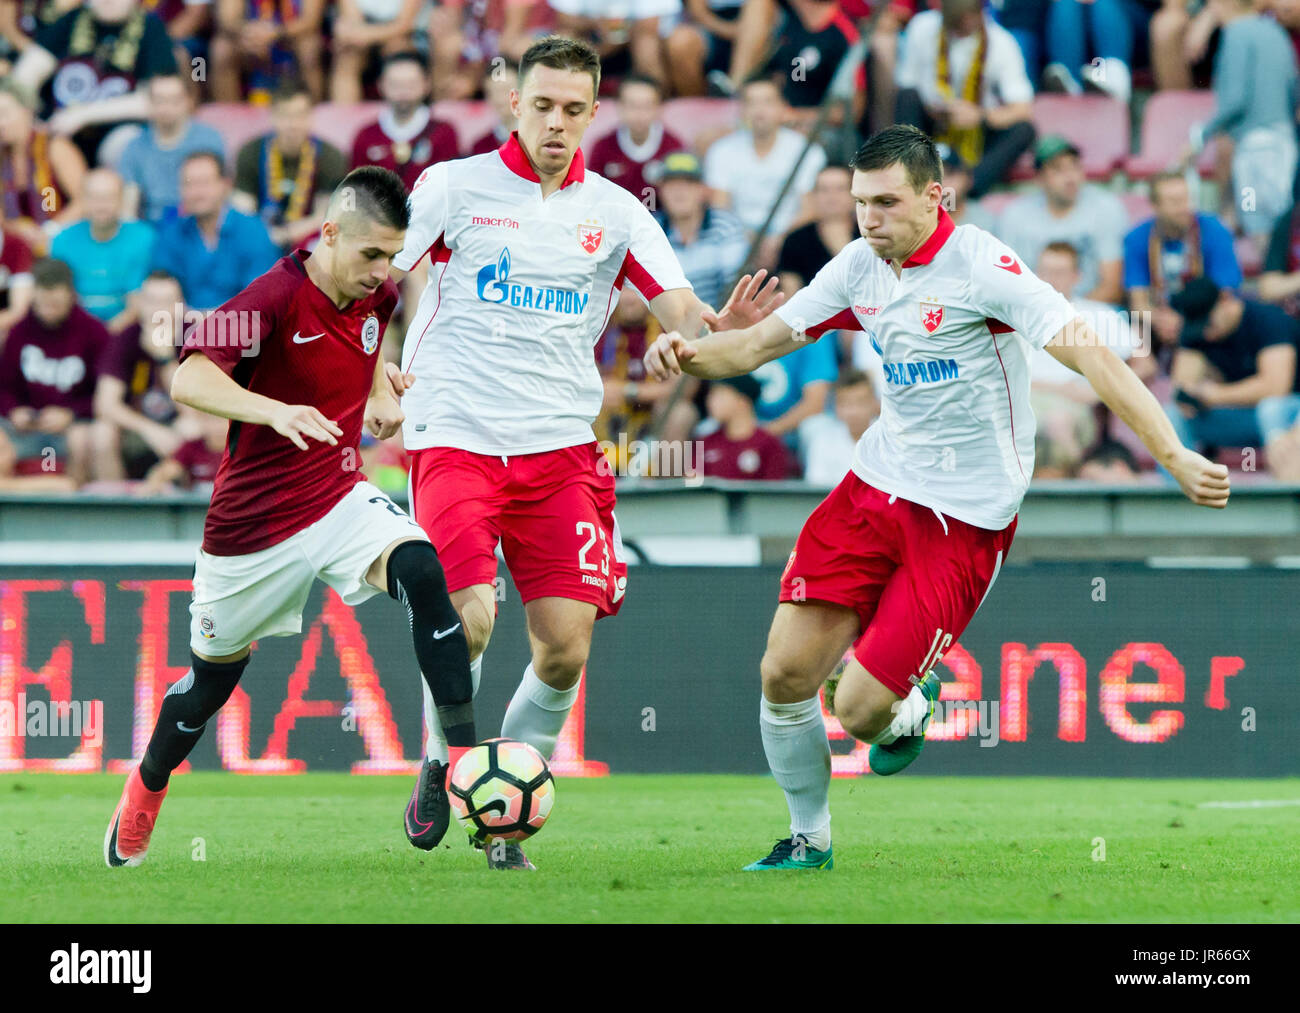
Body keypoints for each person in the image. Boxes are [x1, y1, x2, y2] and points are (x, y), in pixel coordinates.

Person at [643, 124, 1230, 871]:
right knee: (784, 672)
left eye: (886, 202)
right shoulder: (860, 266)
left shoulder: (984, 268)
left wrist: (1171, 452)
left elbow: (1088, 352)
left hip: (964, 518)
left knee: (858, 711)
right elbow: (757, 344)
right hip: (876, 485)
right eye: (860, 203)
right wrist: (686, 353)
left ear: (935, 196)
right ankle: (808, 840)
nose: (869, 218)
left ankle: (907, 710)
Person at [388, 35, 782, 870]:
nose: (557, 123)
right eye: (543, 106)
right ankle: (443, 758)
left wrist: (703, 341)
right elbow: (375, 273)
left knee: (564, 646)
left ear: (595, 113)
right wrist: (373, 371)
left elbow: (676, 303)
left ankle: (502, 815)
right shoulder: (453, 188)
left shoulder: (615, 211)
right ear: (514, 104)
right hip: (454, 432)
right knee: (470, 618)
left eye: (574, 110)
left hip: (561, 450)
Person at [103, 166, 479, 870]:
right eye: (371, 254)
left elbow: (364, 336)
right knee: (208, 686)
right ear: (329, 233)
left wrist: (376, 385)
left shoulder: (381, 293)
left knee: (425, 569)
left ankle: (461, 768)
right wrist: (274, 409)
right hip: (249, 531)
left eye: (393, 255)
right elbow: (188, 375)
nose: (383, 270)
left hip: (336, 494)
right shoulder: (271, 297)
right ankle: (147, 785)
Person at [894, 0, 1036, 199]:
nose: (961, 29)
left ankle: (968, 185)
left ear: (980, 14)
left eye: (967, 22)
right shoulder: (922, 28)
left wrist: (981, 116)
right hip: (932, 123)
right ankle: (913, 175)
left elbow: (1023, 108)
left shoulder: (1001, 43)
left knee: (1024, 130)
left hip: (978, 128)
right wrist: (936, 108)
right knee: (906, 99)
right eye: (955, 24)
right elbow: (907, 83)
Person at [10, 0, 179, 164]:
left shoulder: (151, 29)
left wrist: (83, 115)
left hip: (113, 133)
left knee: (126, 143)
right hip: (55, 129)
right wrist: (27, 115)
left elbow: (151, 101)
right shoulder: (73, 19)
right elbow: (25, 75)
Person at [0, 257, 117, 488]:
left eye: (55, 303)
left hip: (73, 427)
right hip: (25, 428)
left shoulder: (94, 333)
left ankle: (76, 511)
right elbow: (4, 387)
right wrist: (14, 411)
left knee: (82, 440)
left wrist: (71, 414)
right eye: (43, 303)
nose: (48, 310)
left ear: (71, 295)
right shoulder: (19, 332)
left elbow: (104, 393)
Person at [1191, 0, 1299, 242]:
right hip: (1283, 144)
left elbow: (1235, 100)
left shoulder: (1237, 34)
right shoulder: (1276, 33)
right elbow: (1293, 90)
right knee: (1278, 223)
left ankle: (1270, 277)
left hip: (1255, 149)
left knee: (1260, 225)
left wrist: (1198, 137)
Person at [1166, 277, 1300, 469]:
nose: (1207, 334)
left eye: (1209, 323)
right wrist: (1189, 395)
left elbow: (1276, 387)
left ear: (1225, 299)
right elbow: (1182, 386)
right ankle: (1178, 494)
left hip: (1290, 414)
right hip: (1241, 417)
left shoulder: (1268, 319)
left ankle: (1285, 493)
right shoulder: (1198, 331)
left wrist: (1214, 394)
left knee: (1271, 409)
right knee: (1173, 415)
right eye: (1201, 327)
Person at [703, 74, 827, 265]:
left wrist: (777, 239)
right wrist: (748, 239)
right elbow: (720, 207)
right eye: (751, 103)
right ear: (741, 110)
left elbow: (811, 208)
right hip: (737, 240)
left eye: (768, 102)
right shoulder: (721, 151)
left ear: (783, 107)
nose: (759, 110)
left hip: (791, 237)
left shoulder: (807, 150)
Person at [993, 136, 1128, 306]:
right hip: (1032, 311)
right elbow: (1007, 283)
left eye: (1074, 166)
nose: (1070, 177)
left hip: (1092, 310)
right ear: (1040, 178)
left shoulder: (1106, 208)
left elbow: (1111, 288)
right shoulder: (1014, 215)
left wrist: (1066, 315)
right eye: (1057, 169)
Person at [1124, 171, 1241, 359]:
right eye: (1174, 202)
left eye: (1186, 199)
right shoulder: (1138, 237)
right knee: (1133, 327)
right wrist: (1160, 320)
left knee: (1230, 314)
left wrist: (1185, 322)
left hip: (1204, 317)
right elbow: (1138, 303)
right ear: (1155, 206)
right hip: (1158, 319)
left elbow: (1225, 293)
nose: (1183, 208)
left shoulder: (1214, 230)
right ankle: (1140, 377)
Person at [151, 150, 281, 312]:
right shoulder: (172, 233)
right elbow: (160, 288)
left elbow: (261, 298)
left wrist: (207, 318)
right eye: (188, 184)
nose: (196, 193)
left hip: (243, 329)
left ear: (225, 185)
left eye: (204, 183)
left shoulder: (253, 231)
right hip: (184, 328)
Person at [233, 78, 349, 252]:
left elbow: (324, 216)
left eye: (300, 115)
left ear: (311, 116)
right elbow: (242, 210)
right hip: (260, 237)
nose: (292, 124)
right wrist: (266, 236)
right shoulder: (250, 151)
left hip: (309, 240)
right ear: (272, 116)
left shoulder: (330, 156)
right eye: (284, 116)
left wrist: (286, 235)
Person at [92, 269, 188, 479]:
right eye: (151, 302)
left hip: (179, 426)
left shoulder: (195, 336)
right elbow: (105, 404)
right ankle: (112, 505)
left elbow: (197, 411)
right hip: (136, 429)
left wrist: (164, 359)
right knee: (102, 434)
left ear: (182, 307)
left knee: (191, 429)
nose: (158, 311)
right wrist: (149, 430)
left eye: (167, 302)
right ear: (140, 305)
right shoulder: (124, 338)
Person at [49, 168, 153, 329]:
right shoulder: (62, 240)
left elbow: (136, 305)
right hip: (75, 329)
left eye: (109, 197)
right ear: (83, 200)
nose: (101, 205)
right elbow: (61, 300)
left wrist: (103, 336)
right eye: (94, 197)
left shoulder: (143, 238)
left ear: (121, 200)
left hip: (125, 330)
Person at [118, 73, 226, 224]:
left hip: (200, 222)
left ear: (189, 101)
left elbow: (222, 194)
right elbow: (128, 208)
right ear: (149, 103)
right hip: (153, 228)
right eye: (159, 100)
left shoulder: (209, 139)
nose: (166, 107)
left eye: (174, 100)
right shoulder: (134, 147)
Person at [350, 51, 459, 192]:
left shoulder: (443, 133)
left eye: (411, 84)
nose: (403, 91)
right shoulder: (366, 135)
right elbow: (356, 190)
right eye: (395, 84)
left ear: (426, 84)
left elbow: (453, 187)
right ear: (380, 85)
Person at [0, 79, 86, 256]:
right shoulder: (2, 154)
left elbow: (84, 200)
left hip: (59, 238)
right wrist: (15, 227)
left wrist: (50, 230)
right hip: (16, 243)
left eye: (5, 114)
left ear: (27, 111)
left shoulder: (54, 147)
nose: (1, 123)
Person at [587, 73, 683, 211]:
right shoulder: (602, 147)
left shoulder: (673, 147)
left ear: (660, 108)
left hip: (660, 227)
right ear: (619, 106)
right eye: (632, 105)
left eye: (647, 105)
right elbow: (592, 197)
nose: (639, 113)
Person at [700, 372, 793, 479]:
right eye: (710, 395)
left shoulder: (769, 444)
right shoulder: (703, 442)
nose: (710, 401)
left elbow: (772, 491)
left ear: (743, 401)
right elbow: (689, 489)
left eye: (719, 395)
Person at [329, 0, 425, 103]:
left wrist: (365, 36)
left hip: (398, 36)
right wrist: (355, 35)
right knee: (348, 58)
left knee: (397, 49)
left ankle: (399, 115)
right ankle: (344, 115)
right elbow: (353, 21)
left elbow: (405, 25)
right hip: (364, 37)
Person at [801, 367, 878, 485]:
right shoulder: (822, 441)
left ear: (874, 403)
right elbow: (816, 489)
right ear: (836, 407)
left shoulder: (891, 440)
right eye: (846, 403)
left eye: (861, 402)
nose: (854, 411)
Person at [467, 59, 519, 155]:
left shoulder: (541, 136)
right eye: (491, 93)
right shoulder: (481, 147)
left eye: (506, 90)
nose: (499, 99)